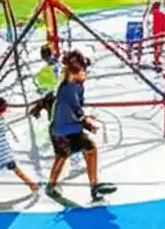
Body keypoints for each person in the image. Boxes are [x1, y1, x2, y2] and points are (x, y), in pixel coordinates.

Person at [32, 50, 115, 202]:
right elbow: (76, 108)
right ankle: (91, 187)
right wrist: (86, 122)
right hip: (63, 129)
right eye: (81, 71)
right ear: (73, 73)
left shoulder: (72, 86)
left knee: (74, 153)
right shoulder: (69, 87)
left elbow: (51, 98)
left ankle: (56, 185)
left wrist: (39, 107)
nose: (84, 74)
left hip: (65, 128)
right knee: (70, 154)